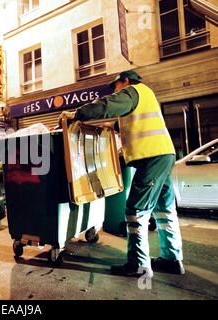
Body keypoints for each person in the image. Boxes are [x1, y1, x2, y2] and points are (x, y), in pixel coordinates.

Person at [59, 70, 184, 278]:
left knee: (136, 212)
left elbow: (107, 105)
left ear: (125, 81)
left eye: (115, 86)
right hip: (163, 155)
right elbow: (129, 123)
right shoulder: (146, 96)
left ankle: (139, 265)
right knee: (164, 210)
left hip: (152, 158)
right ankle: (172, 259)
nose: (115, 90)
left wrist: (77, 114)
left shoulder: (132, 92)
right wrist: (112, 128)